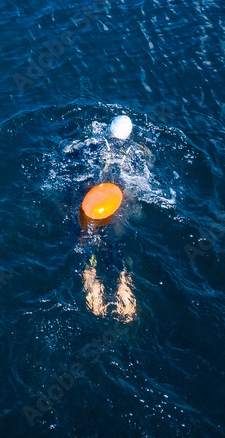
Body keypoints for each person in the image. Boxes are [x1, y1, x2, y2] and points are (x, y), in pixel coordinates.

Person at [65, 115, 148, 322]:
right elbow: (143, 179)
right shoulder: (138, 153)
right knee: (116, 243)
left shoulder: (94, 143)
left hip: (92, 197)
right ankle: (123, 285)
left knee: (87, 240)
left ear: (109, 129)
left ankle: (92, 283)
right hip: (118, 202)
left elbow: (67, 150)